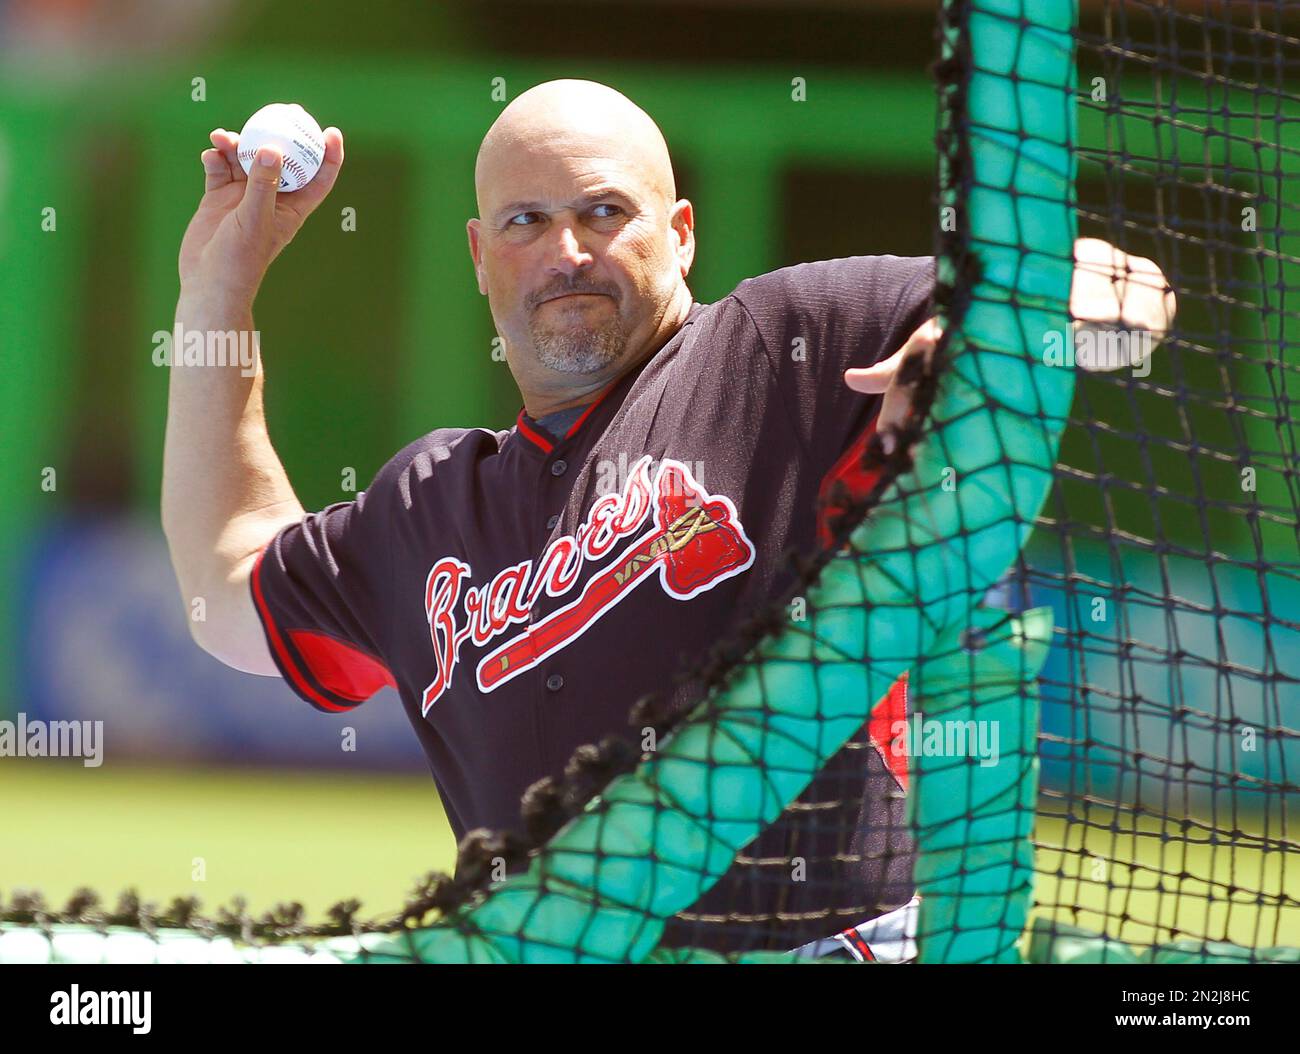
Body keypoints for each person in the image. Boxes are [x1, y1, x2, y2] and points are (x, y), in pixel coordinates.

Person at [162, 79, 1173, 956]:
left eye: (604, 211)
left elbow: (1126, 290)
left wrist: (979, 342)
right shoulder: (426, 505)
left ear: (680, 232)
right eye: (525, 221)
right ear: (478, 256)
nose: (567, 251)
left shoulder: (786, 349)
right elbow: (222, 590)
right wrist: (218, 290)